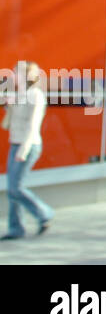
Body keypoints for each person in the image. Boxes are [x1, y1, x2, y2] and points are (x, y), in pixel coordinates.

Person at [2, 61, 54, 240]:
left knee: (16, 188)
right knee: (12, 189)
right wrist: (9, 107)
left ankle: (44, 213)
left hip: (29, 145)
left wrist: (23, 151)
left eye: (16, 72)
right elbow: (6, 125)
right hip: (15, 143)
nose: (12, 75)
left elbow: (33, 126)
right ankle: (16, 228)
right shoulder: (18, 94)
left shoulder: (36, 96)